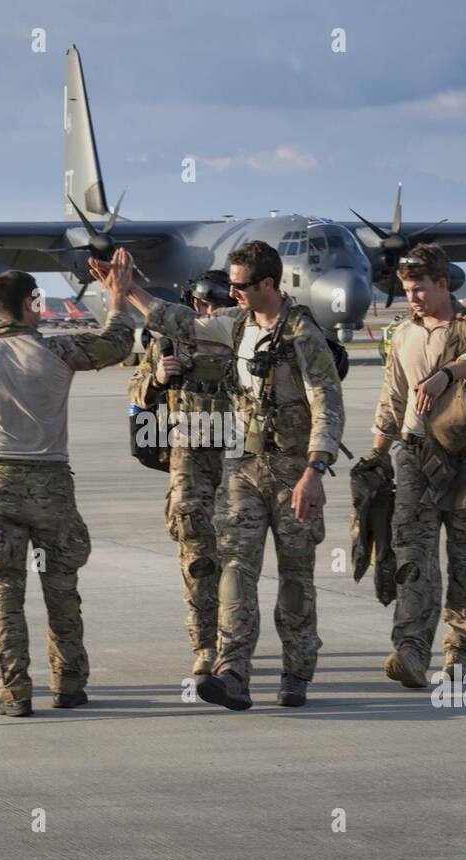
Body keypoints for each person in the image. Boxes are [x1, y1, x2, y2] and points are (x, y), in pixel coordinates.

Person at [112, 242, 345, 711]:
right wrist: (127, 288)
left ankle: (296, 672)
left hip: (294, 468)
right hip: (245, 466)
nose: (231, 293)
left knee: (296, 576)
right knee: (236, 567)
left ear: (267, 284)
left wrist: (315, 470)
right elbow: (176, 320)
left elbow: (328, 404)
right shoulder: (235, 324)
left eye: (240, 285)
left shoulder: (302, 334)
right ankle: (232, 670)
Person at [0, 265, 137, 717]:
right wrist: (119, 297)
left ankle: (13, 693)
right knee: (61, 587)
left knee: (5, 594)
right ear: (32, 303)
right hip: (52, 485)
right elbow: (117, 344)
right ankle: (68, 683)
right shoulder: (58, 352)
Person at [365, 244, 466, 685]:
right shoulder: (402, 334)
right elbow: (393, 397)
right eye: (408, 290)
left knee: (464, 563)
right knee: (413, 557)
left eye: (421, 289)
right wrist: (376, 454)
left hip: (465, 460)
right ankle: (411, 651)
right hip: (412, 455)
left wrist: (449, 373)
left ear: (443, 283)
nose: (413, 298)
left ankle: (458, 651)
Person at [127, 270, 235, 677]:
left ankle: (233, 637)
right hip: (188, 455)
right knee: (196, 550)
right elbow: (135, 392)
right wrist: (157, 379)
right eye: (203, 304)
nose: (209, 311)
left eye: (218, 303)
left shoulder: (242, 340)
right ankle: (205, 643)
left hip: (236, 453)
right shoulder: (167, 342)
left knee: (236, 550)